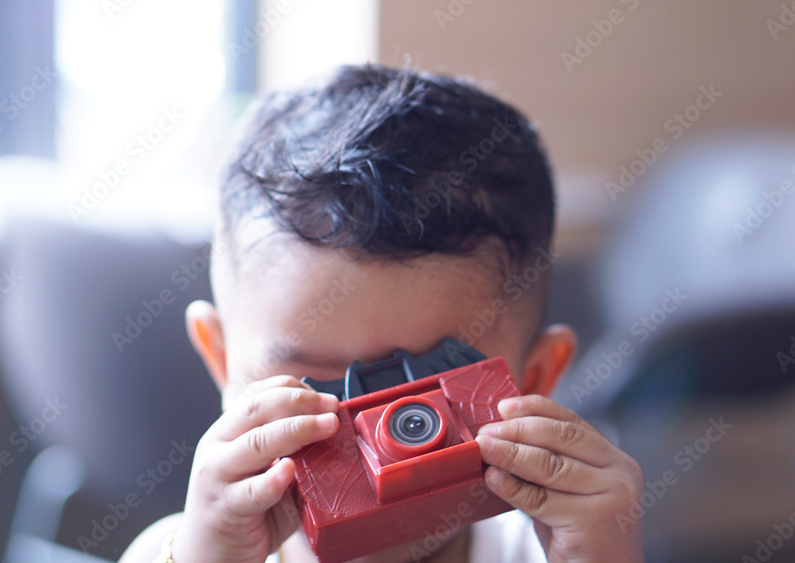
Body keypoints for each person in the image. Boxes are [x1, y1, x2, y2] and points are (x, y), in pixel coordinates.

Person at [120, 64, 643, 563]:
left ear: (532, 379)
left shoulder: (559, 550)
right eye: (313, 387)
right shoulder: (185, 550)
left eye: (425, 394)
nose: (376, 438)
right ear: (221, 359)